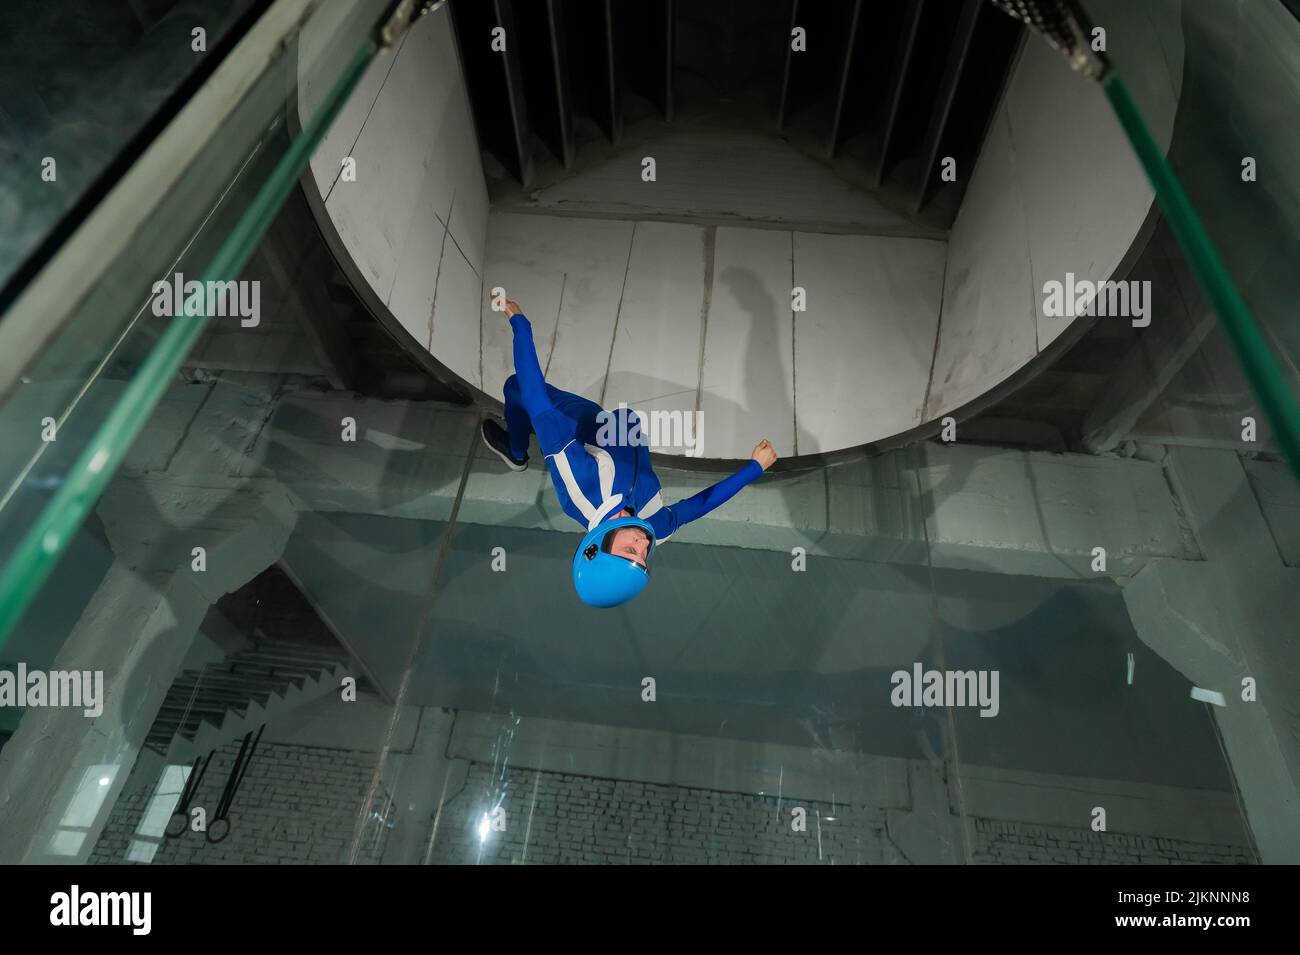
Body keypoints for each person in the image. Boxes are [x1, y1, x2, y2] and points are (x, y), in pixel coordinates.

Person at [482, 298, 778, 608]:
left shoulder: (582, 490)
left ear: (600, 544)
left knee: (517, 388)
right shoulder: (652, 529)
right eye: (644, 558)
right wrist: (754, 468)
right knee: (542, 418)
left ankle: (516, 454)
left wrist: (520, 323)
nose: (643, 544)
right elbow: (697, 506)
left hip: (580, 424)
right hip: (613, 430)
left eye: (629, 551)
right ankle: (537, 438)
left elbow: (537, 399)